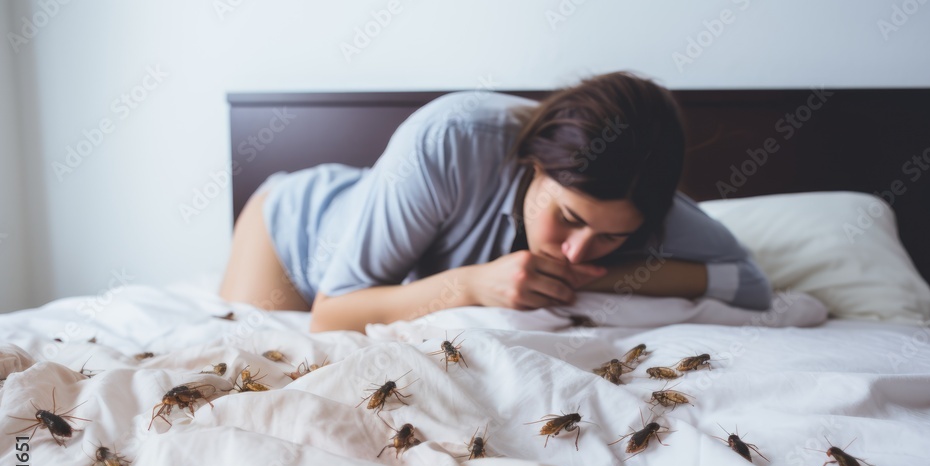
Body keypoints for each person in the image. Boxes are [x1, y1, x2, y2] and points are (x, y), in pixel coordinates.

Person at [219, 71, 772, 332]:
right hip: (292, 235)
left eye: (611, 236)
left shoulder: (639, 192)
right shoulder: (450, 139)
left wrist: (595, 278)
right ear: (534, 161)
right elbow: (332, 314)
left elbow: (749, 284)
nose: (579, 251)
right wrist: (472, 286)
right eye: (568, 218)